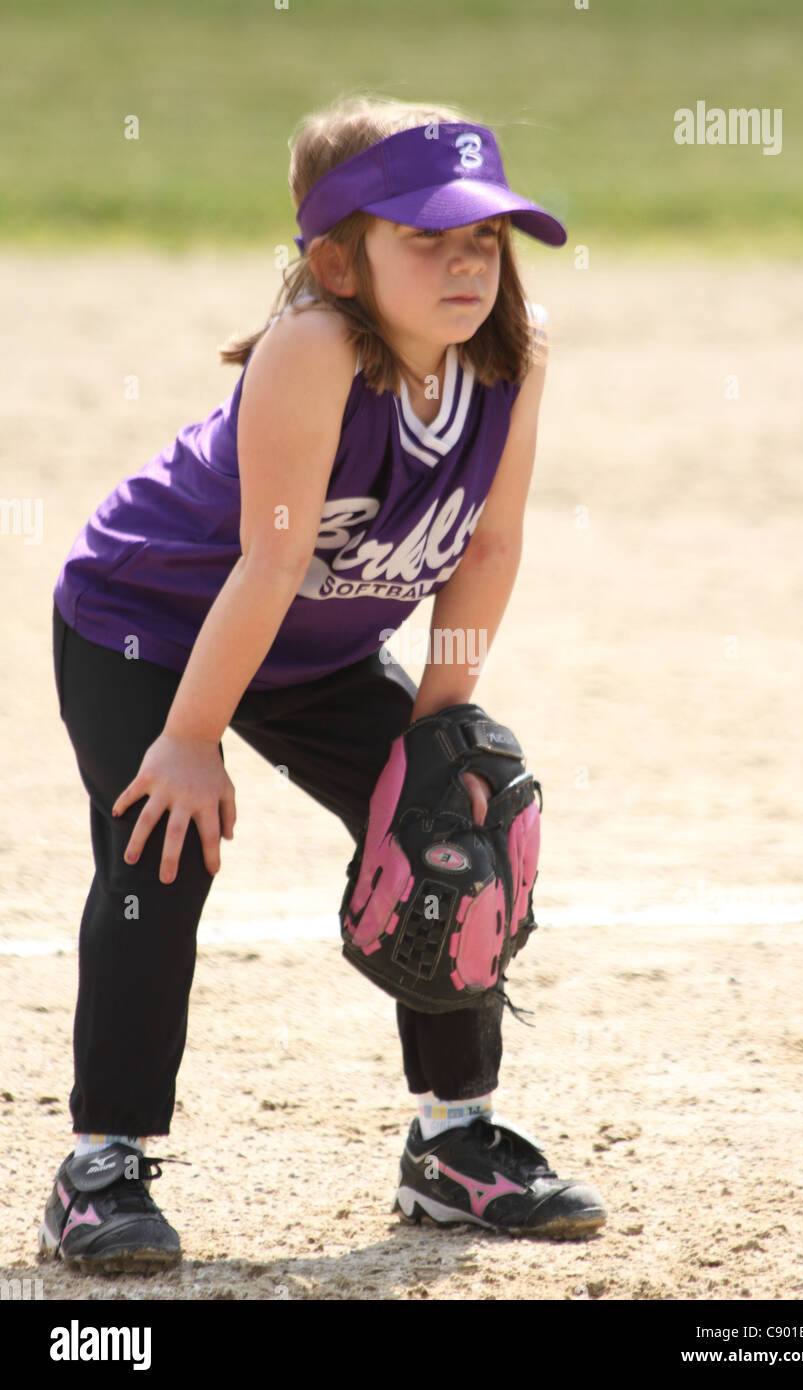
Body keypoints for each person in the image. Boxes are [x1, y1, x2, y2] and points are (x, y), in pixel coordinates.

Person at [41, 94, 607, 1274]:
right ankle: (103, 1163)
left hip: (312, 644)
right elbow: (272, 556)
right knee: (159, 847)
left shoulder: (511, 350)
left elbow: (489, 546)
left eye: (485, 237)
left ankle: (453, 1142)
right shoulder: (313, 348)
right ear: (335, 262)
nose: (467, 260)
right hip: (150, 623)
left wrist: (440, 734)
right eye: (427, 236)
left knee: (457, 822)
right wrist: (189, 739)